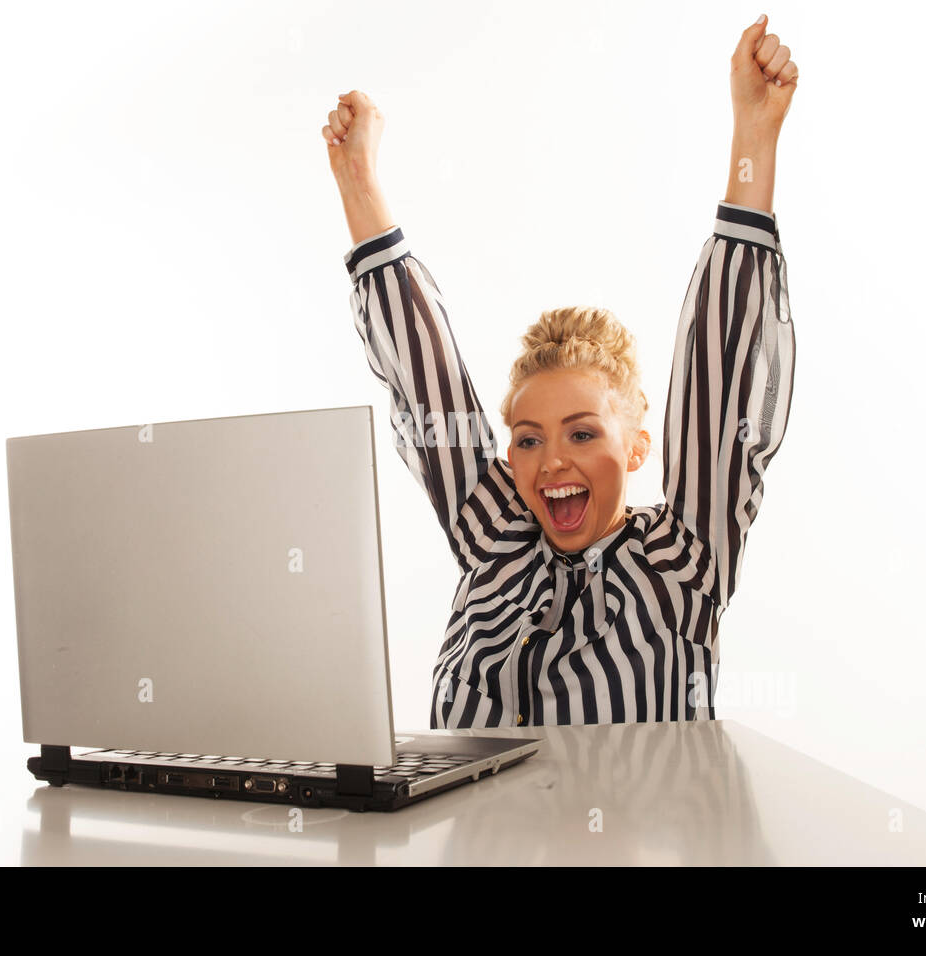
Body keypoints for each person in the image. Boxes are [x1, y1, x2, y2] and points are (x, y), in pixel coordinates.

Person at [323, 15, 798, 728]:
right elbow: (425, 378)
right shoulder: (495, 537)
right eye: (527, 438)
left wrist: (753, 133)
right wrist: (358, 178)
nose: (550, 463)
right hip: (476, 838)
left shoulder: (686, 557)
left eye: (581, 434)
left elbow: (724, 365)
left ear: (638, 445)